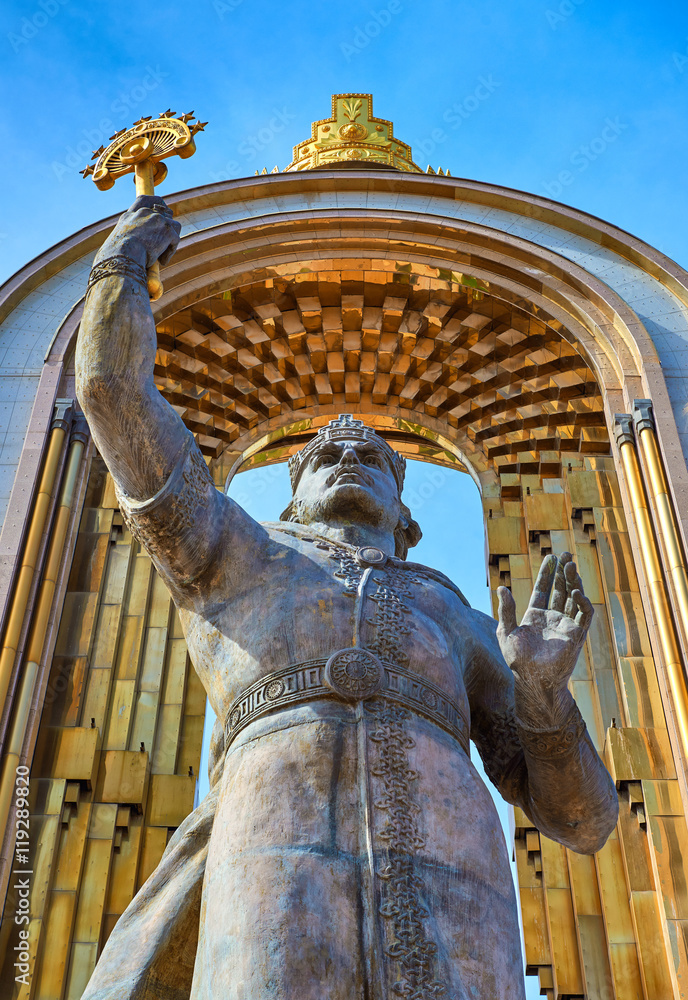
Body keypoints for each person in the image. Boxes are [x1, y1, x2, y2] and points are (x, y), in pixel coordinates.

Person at [76, 197, 618, 1000]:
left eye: (373, 453)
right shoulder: (229, 549)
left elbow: (584, 820)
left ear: (405, 513)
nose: (349, 451)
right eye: (324, 451)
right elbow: (110, 391)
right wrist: (119, 269)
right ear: (292, 500)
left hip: (455, 869)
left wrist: (542, 696)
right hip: (270, 843)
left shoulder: (458, 616)